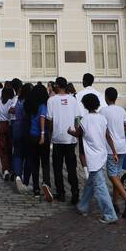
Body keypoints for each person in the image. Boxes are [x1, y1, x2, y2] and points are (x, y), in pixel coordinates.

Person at [73, 93, 121, 224]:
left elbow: (78, 133)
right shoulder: (102, 118)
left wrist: (69, 131)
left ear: (85, 105)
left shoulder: (85, 120)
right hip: (102, 154)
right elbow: (108, 136)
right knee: (91, 183)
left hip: (93, 157)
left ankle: (110, 214)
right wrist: (114, 152)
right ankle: (82, 206)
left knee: (100, 187)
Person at [44, 76, 81, 204]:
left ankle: (61, 193)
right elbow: (77, 118)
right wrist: (77, 132)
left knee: (57, 168)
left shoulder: (51, 100)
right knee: (71, 167)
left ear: (57, 86)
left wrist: (51, 132)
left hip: (58, 138)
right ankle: (75, 190)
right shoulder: (73, 99)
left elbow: (49, 119)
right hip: (71, 138)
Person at [101, 87, 126, 217]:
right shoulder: (121, 110)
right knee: (117, 175)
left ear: (106, 97)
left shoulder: (103, 111)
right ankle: (115, 204)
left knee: (112, 175)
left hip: (111, 148)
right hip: (122, 146)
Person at [15, 83, 50, 196]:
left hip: (31, 135)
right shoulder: (43, 106)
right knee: (45, 162)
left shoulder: (29, 105)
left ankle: (36, 188)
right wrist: (43, 134)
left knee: (34, 162)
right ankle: (46, 182)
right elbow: (42, 118)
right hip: (41, 136)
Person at [0, 80, 19, 180]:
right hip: (9, 125)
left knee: (2, 149)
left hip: (1, 125)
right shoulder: (11, 101)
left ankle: (5, 169)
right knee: (10, 148)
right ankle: (11, 169)